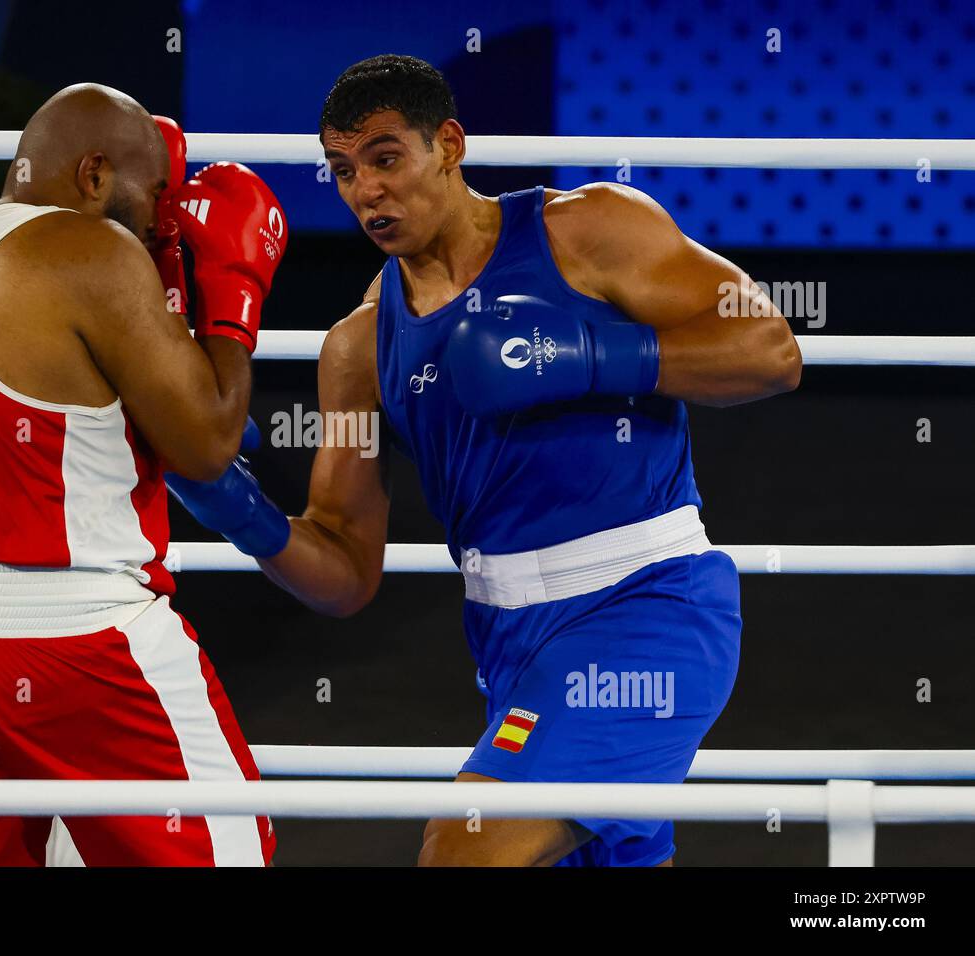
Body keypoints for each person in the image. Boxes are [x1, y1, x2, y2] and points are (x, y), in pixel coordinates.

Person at [165, 55, 801, 867]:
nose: (365, 191)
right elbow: (345, 567)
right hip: (508, 641)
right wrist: (239, 513)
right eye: (343, 171)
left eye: (386, 158)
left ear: (450, 145)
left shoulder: (587, 230)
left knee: (466, 848)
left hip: (649, 608)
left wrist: (583, 354)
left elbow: (769, 348)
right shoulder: (359, 348)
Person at [0, 83, 286, 866]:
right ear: (93, 175)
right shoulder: (90, 250)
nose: (165, 220)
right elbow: (208, 443)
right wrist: (233, 294)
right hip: (75, 650)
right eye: (155, 195)